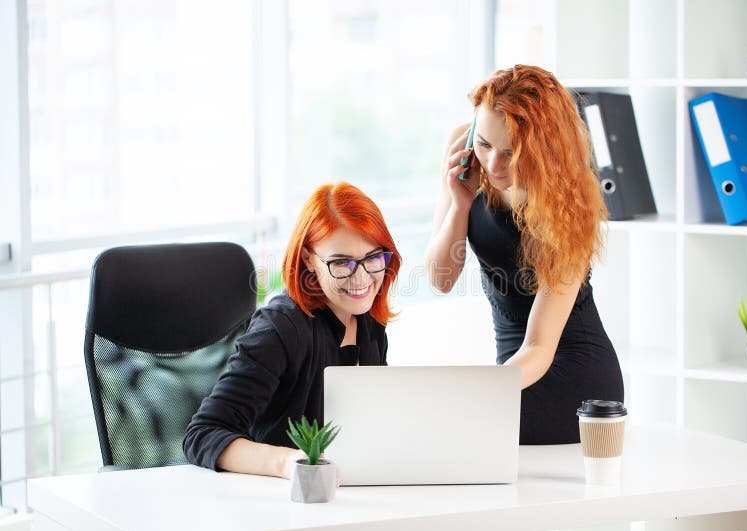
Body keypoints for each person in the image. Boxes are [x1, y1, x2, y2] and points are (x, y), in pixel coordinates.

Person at [425, 65, 623, 445]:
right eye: (484, 144)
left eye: (511, 153)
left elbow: (539, 347)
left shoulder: (570, 208)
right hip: (512, 372)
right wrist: (459, 205)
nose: (494, 165)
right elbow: (441, 279)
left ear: (543, 151)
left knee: (450, 429)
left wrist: (481, 391)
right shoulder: (462, 150)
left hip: (573, 379)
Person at [184, 182, 401, 477]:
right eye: (341, 262)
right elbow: (203, 434)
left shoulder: (369, 320)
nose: (362, 277)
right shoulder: (279, 329)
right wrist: (291, 463)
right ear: (309, 259)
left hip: (344, 494)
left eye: (373, 258)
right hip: (279, 502)